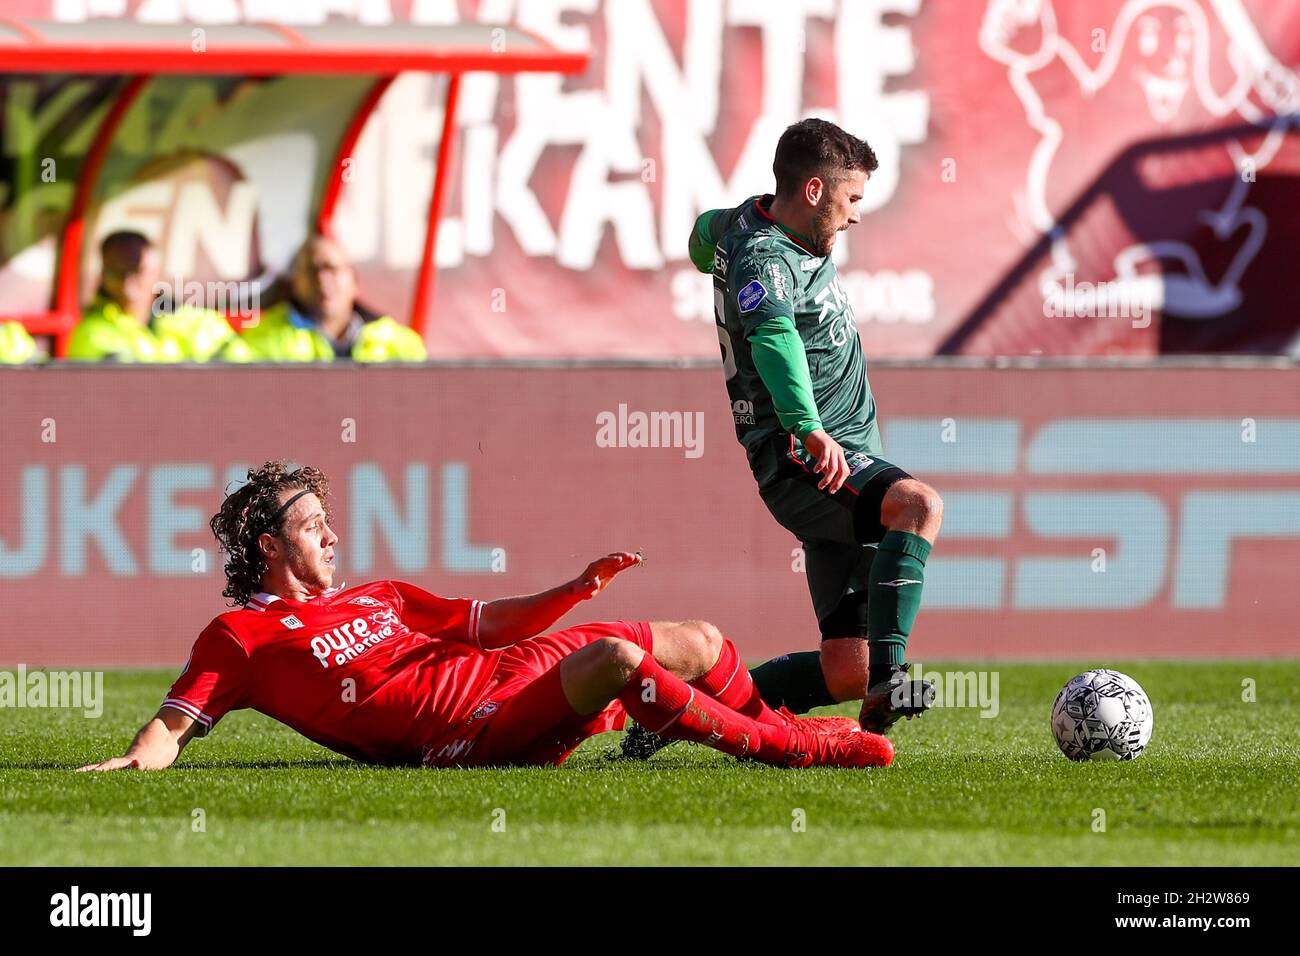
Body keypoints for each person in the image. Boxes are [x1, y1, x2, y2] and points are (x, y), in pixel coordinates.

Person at [78, 461, 892, 773]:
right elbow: (174, 726)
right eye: (312, 524)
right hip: (465, 727)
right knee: (613, 660)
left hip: (508, 670)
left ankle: (771, 721)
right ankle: (793, 749)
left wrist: (573, 588)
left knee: (703, 639)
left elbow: (492, 623)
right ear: (269, 546)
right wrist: (131, 762)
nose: (332, 533)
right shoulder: (240, 637)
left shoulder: (380, 595)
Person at [624, 119, 946, 758]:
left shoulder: (741, 227)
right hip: (808, 458)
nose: (855, 218)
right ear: (817, 190)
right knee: (918, 507)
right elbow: (774, 337)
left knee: (843, 668)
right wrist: (807, 428)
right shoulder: (768, 258)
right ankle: (891, 681)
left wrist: (717, 248)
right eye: (852, 200)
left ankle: (668, 714)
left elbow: (700, 236)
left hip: (839, 454)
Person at [66, 231, 252, 363]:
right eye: (116, 272)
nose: (127, 280)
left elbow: (240, 367)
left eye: (136, 270)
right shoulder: (91, 332)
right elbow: (123, 392)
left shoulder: (195, 321)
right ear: (103, 275)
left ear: (156, 272)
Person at [240, 235, 426, 362]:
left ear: (353, 280)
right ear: (295, 283)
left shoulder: (400, 343)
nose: (322, 279)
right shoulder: (263, 339)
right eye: (312, 271)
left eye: (332, 268)